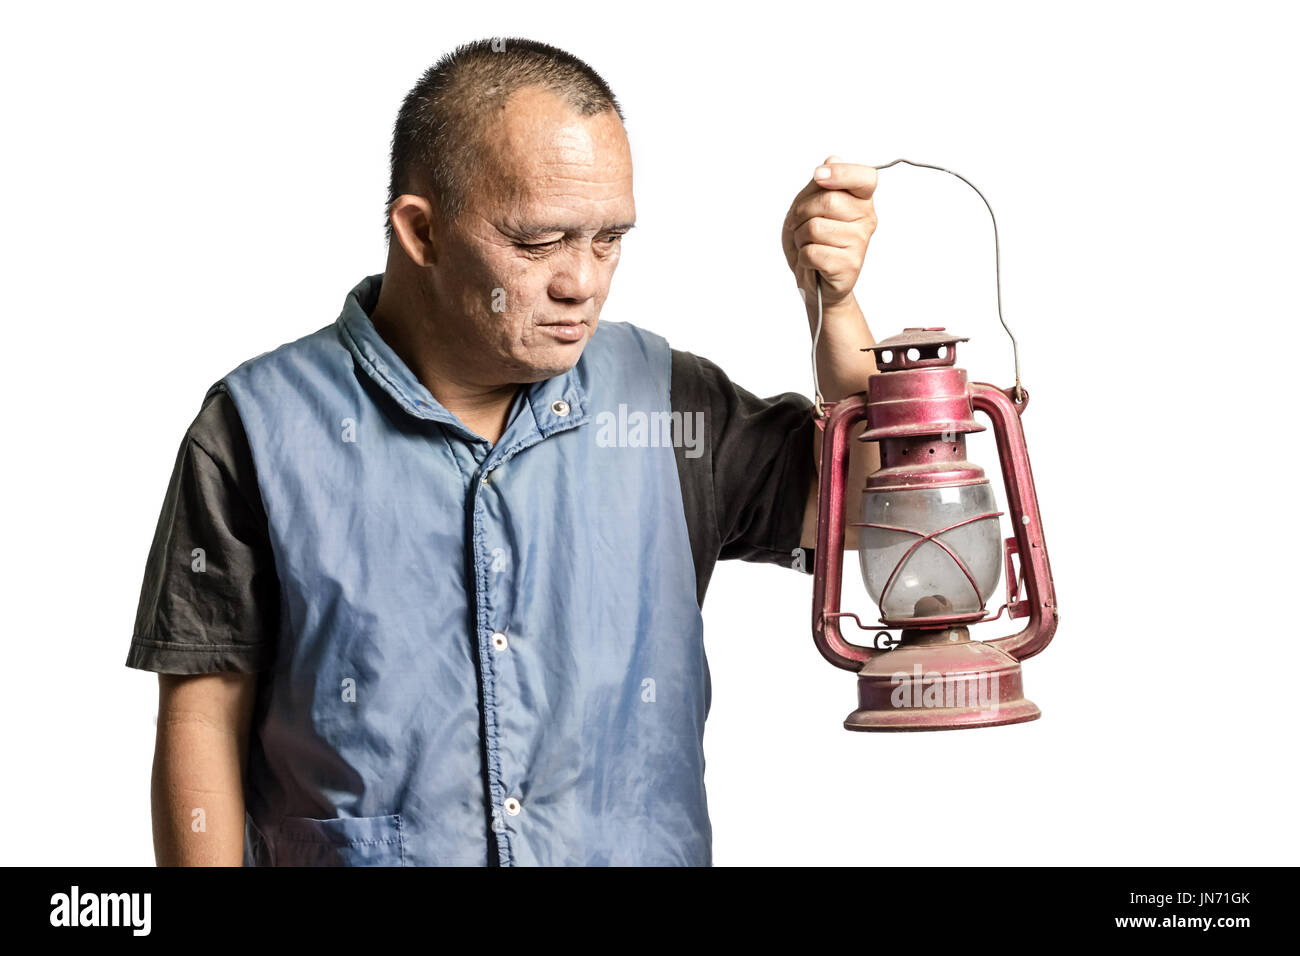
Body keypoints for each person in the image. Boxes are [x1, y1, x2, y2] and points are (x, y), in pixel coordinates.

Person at [127, 37, 880, 866]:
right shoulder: (259, 427)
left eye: (608, 240)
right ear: (420, 232)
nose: (581, 282)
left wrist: (834, 308)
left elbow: (878, 518)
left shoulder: (668, 406)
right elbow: (202, 718)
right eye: (538, 243)